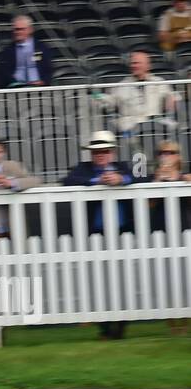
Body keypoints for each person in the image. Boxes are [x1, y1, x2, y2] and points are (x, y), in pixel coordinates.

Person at [61, 130, 136, 338]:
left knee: (123, 281)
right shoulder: (83, 169)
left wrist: (121, 179)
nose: (100, 155)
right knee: (98, 281)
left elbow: (142, 176)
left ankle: (120, 328)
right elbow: (67, 181)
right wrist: (97, 180)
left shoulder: (123, 167)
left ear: (112, 152)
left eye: (104, 151)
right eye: (96, 152)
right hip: (95, 233)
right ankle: (104, 328)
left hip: (122, 232)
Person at [106, 51, 178, 135]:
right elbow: (110, 102)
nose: (133, 66)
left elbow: (173, 98)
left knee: (173, 126)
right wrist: (99, 97)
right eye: (132, 63)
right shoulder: (122, 85)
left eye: (137, 63)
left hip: (155, 124)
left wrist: (172, 101)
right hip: (131, 125)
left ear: (147, 66)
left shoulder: (159, 82)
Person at [0, 16, 53, 88]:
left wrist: (43, 81)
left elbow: (48, 68)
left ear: (30, 30)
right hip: (16, 87)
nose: (18, 32)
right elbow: (5, 71)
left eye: (21, 29)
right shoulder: (8, 50)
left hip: (39, 86)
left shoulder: (41, 47)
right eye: (16, 29)